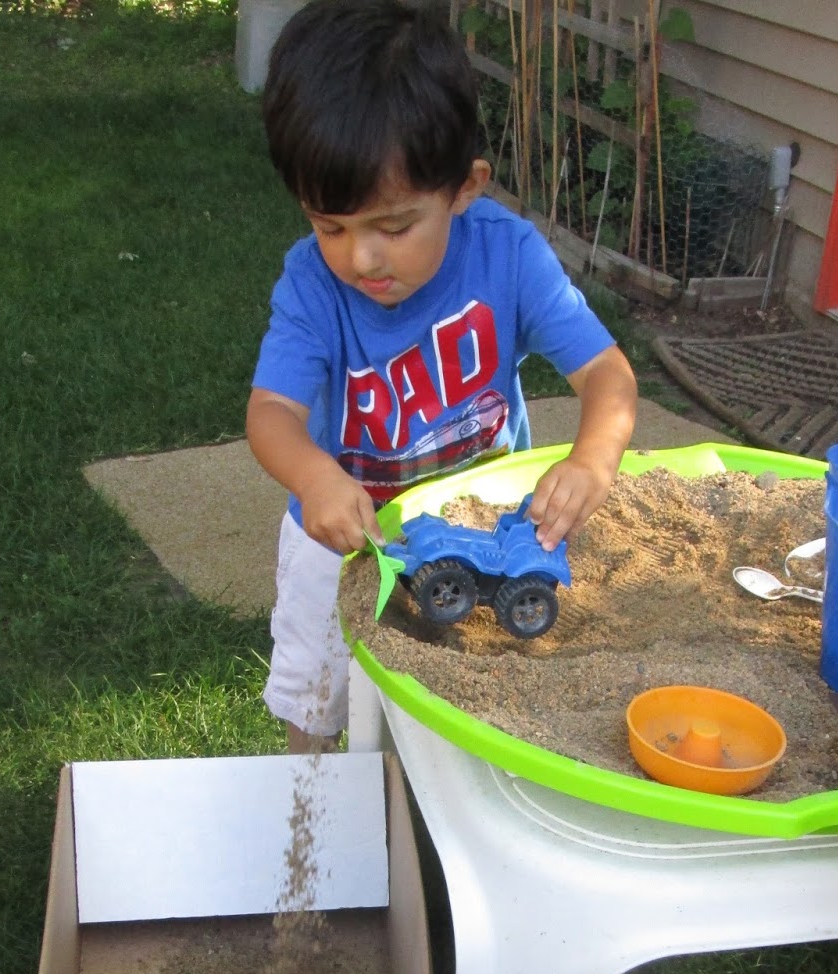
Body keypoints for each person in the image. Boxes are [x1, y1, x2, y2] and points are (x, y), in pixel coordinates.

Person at [247, 0, 639, 752]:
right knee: (317, 704)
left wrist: (592, 460)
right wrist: (313, 477)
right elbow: (271, 412)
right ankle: (312, 811)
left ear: (465, 187)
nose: (362, 258)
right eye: (331, 226)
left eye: (393, 227)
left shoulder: (508, 257)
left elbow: (606, 374)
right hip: (340, 538)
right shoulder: (311, 286)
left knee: (459, 707)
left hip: (474, 528)